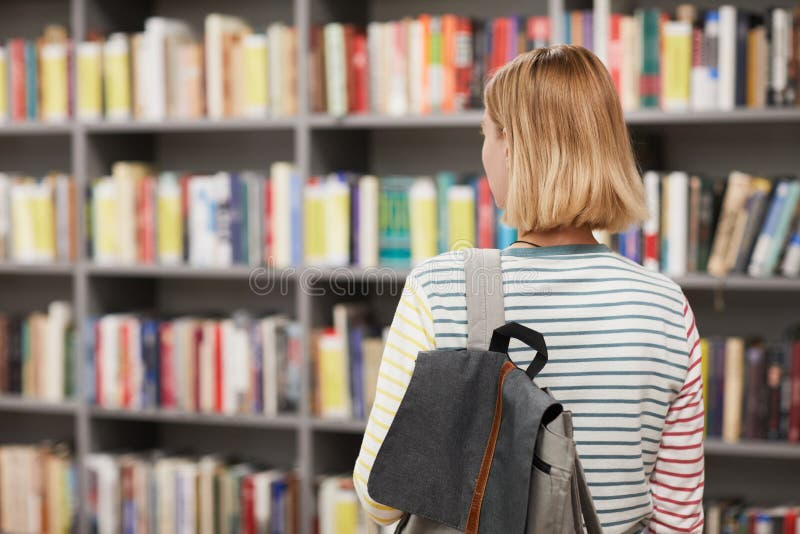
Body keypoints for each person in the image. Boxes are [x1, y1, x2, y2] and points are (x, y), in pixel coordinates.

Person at [352, 44, 705, 534]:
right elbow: (679, 520)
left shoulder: (440, 288)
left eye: (486, 135)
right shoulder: (667, 306)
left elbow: (382, 498)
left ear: (512, 146)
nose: (484, 152)